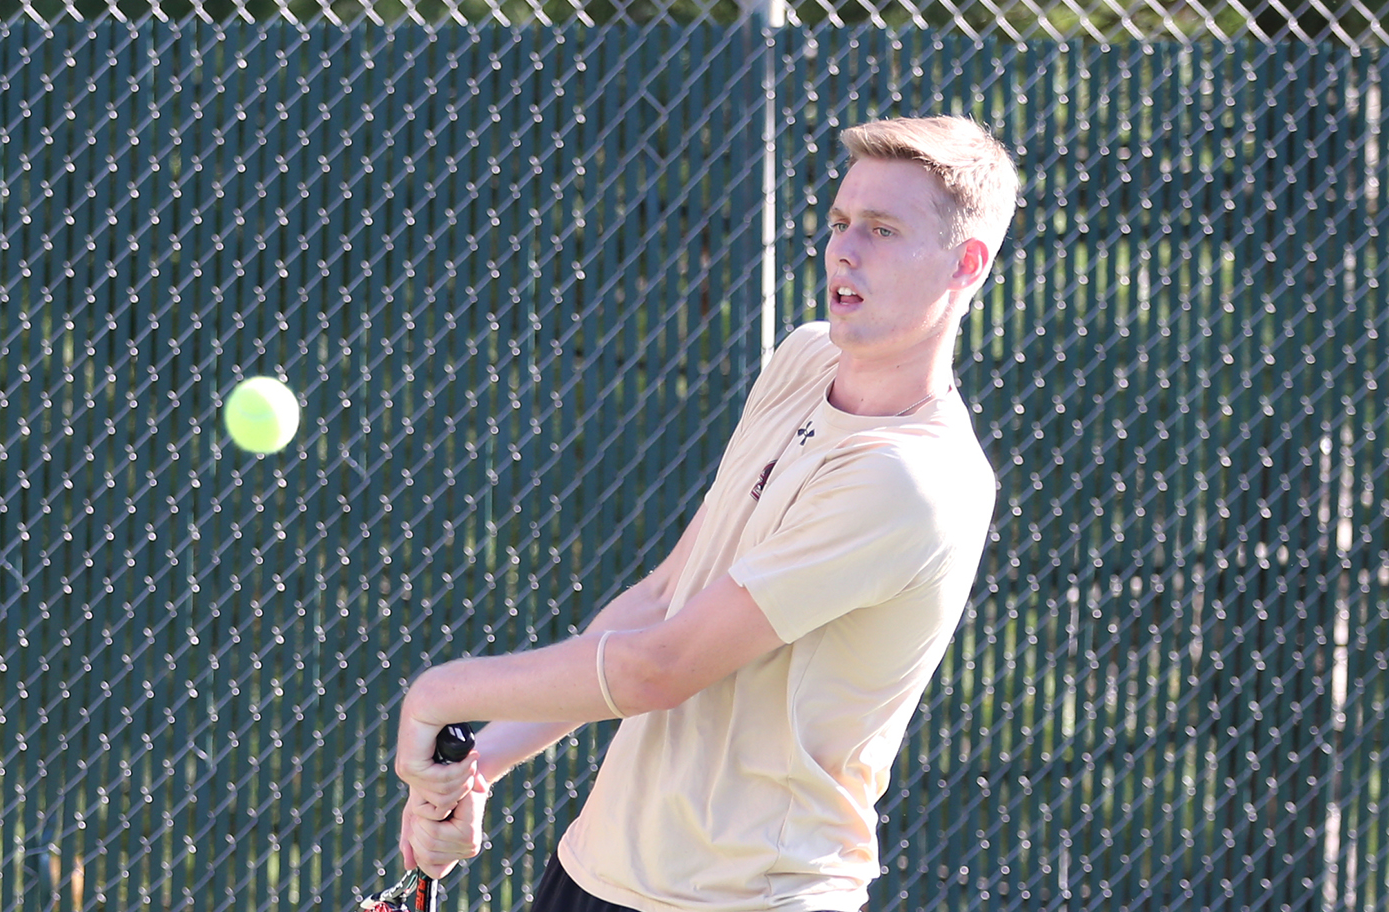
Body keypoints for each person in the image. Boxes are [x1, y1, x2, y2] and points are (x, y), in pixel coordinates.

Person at [391, 115, 1018, 912]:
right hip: (595, 872)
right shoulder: (805, 360)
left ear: (966, 264)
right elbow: (664, 596)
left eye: (884, 230)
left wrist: (439, 695)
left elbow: (664, 665)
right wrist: (483, 758)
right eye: (839, 222)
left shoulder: (911, 480)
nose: (844, 250)